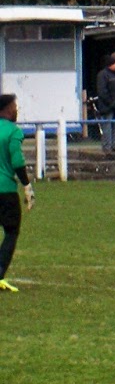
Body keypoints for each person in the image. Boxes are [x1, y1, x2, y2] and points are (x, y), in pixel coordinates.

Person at [0, 94, 37, 292]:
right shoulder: (13, 131)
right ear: (7, 109)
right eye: (15, 106)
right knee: (11, 231)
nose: (17, 110)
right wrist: (27, 186)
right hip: (5, 190)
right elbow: (17, 162)